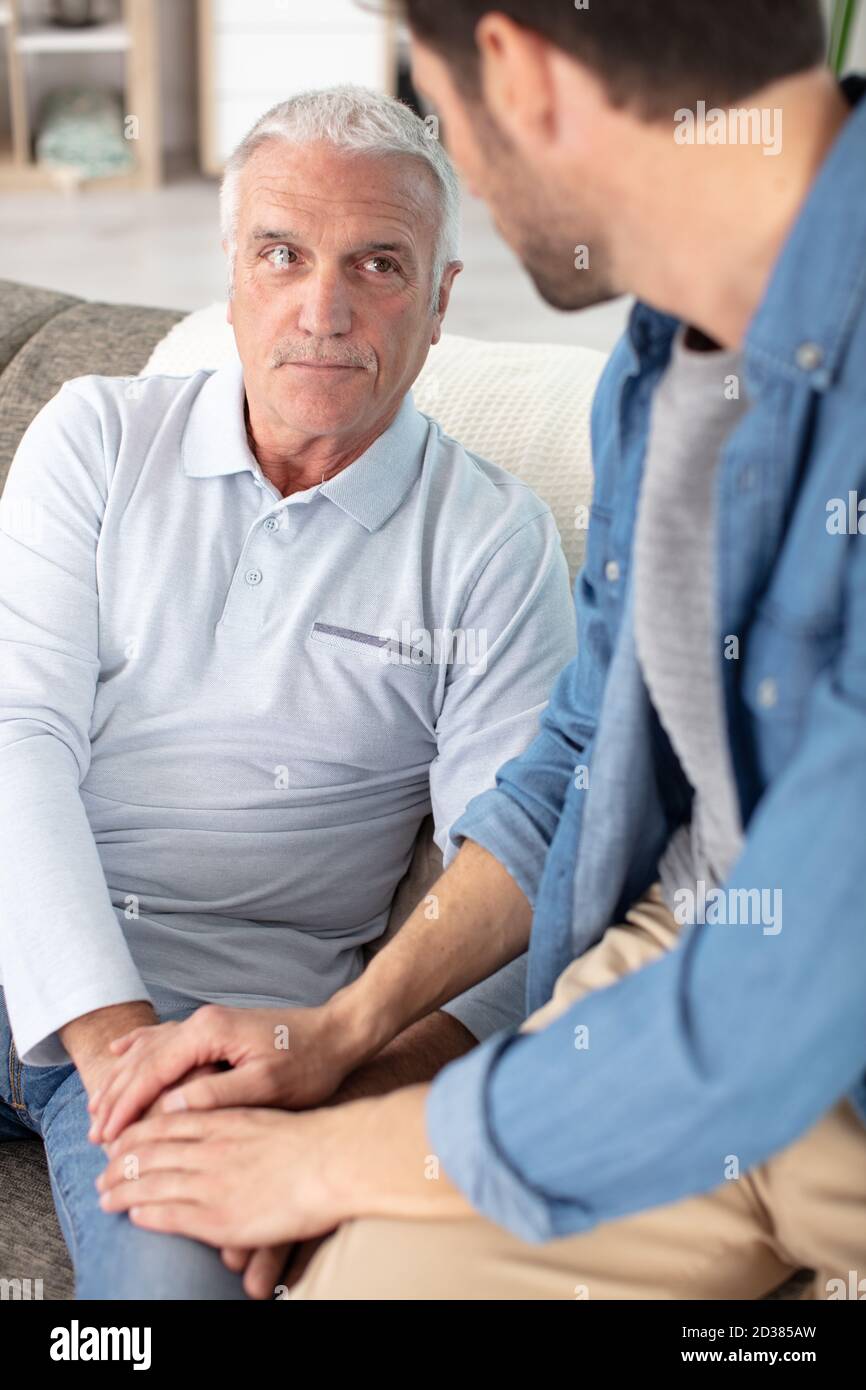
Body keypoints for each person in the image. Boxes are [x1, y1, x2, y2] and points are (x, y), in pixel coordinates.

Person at [95, 0, 866, 1300]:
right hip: (658, 998)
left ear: (513, 70)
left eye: (437, 98)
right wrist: (346, 1032)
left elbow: (788, 986)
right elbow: (581, 747)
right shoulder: (670, 340)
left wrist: (341, 1155)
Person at [0, 86, 576, 1299]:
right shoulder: (94, 439)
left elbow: (526, 886)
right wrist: (113, 1053)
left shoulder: (490, 545)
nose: (322, 311)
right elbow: (19, 736)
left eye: (377, 264)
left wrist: (333, 1087)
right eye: (282, 254)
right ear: (232, 274)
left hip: (227, 1038)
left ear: (437, 301)